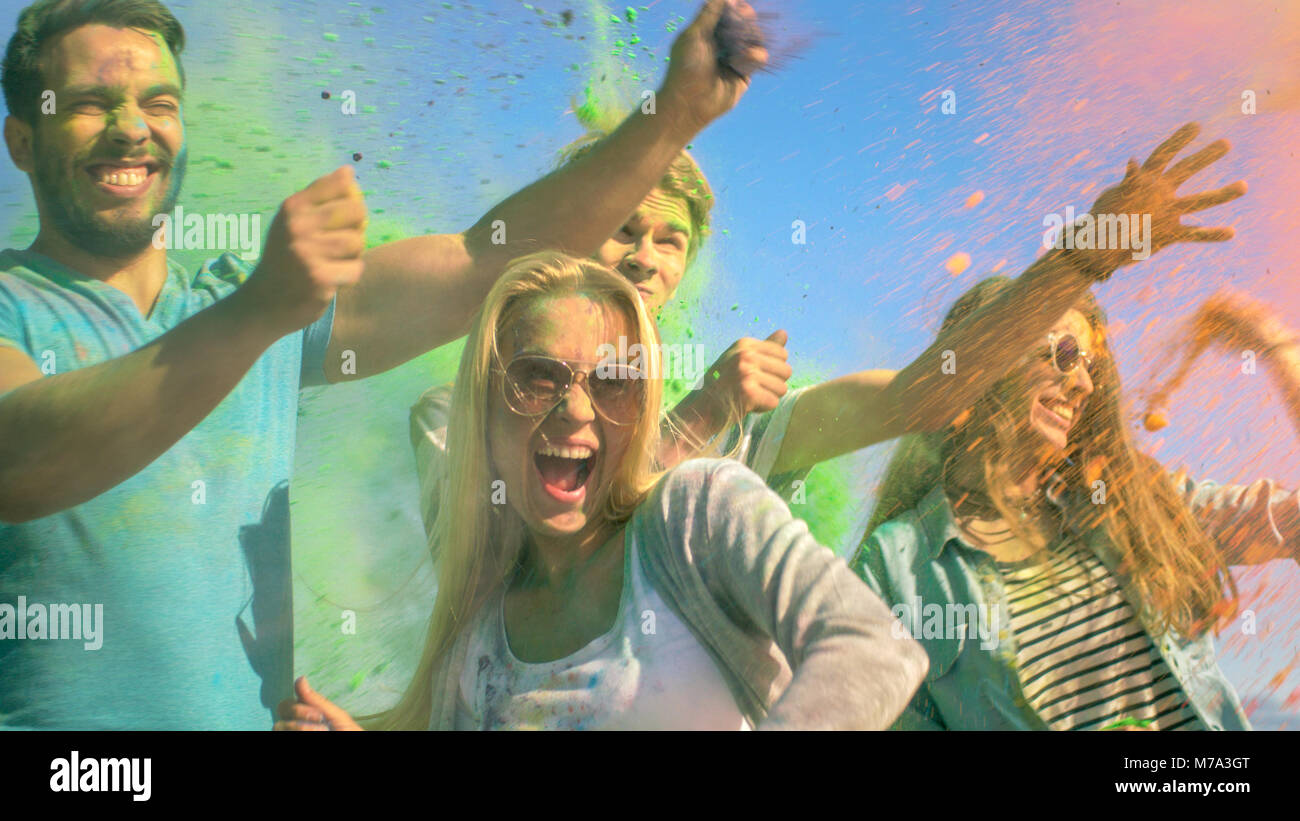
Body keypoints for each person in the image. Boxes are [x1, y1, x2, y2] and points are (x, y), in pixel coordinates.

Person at [0, 0, 764, 729]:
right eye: (90, 104)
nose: (134, 128)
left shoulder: (249, 301)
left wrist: (675, 113)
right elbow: (24, 461)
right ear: (22, 140)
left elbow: (481, 262)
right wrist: (257, 311)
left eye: (160, 103)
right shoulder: (68, 307)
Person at [412, 122, 1252, 552]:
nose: (642, 254)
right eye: (621, 227)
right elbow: (534, 561)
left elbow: (933, 389)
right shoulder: (460, 411)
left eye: (668, 238)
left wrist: (1082, 259)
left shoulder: (757, 424)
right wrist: (700, 415)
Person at [276, 251, 929, 730]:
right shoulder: (477, 618)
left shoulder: (697, 509)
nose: (577, 409)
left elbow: (875, 647)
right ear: (484, 405)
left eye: (614, 380)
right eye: (536, 376)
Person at [850, 275, 1299, 727]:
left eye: (1092, 366)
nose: (1084, 383)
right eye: (1065, 354)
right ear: (984, 359)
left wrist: (1278, 347)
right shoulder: (896, 564)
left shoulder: (1133, 503)